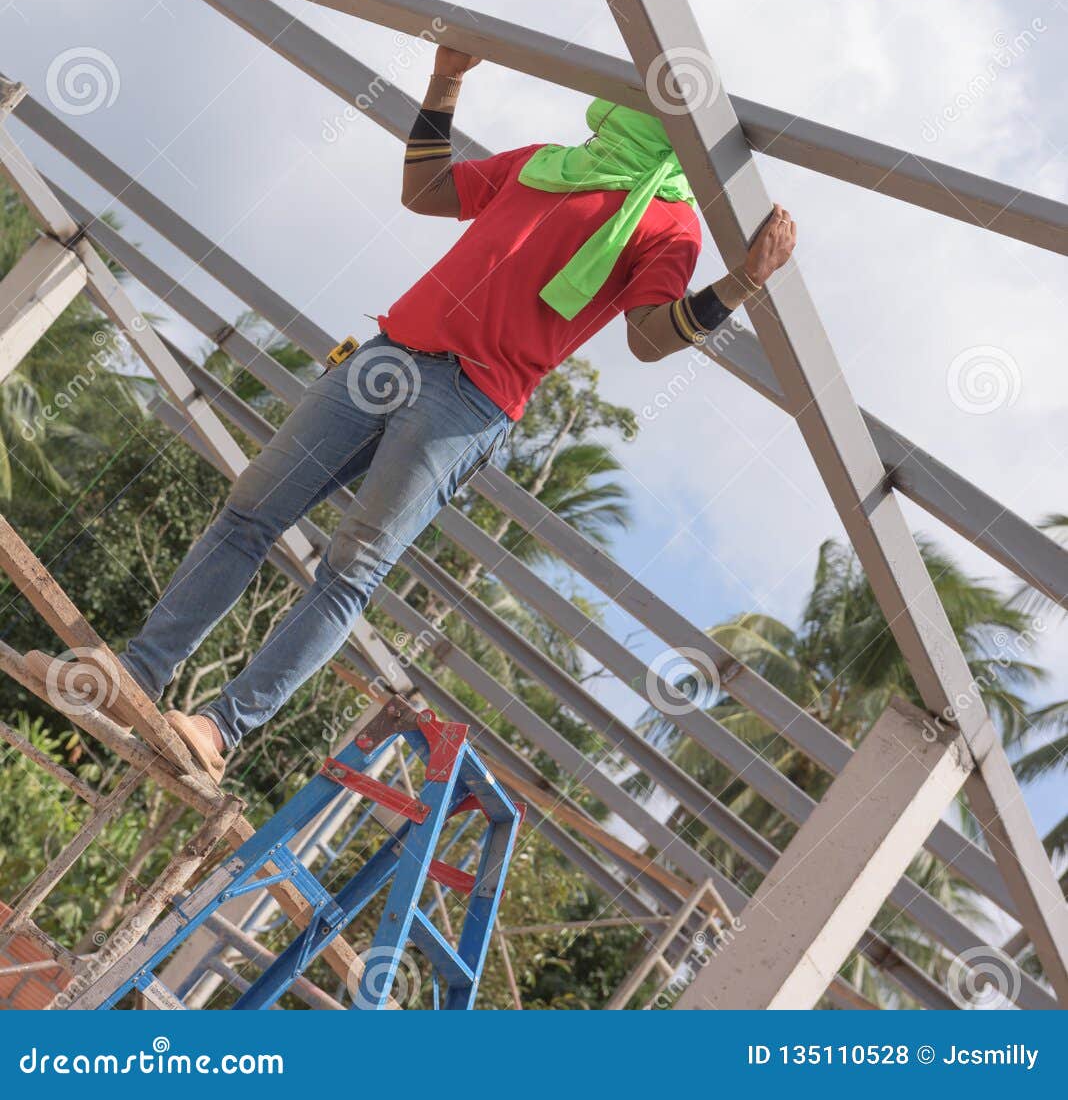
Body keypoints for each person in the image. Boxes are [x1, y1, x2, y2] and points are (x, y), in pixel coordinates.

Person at [40, 49, 796, 781]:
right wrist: (443, 83)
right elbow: (428, 191)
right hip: (392, 352)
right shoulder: (547, 161)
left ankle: (218, 728)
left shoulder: (671, 224)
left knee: (349, 569)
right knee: (249, 510)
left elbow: (649, 337)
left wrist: (741, 285)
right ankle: (136, 673)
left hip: (468, 403)